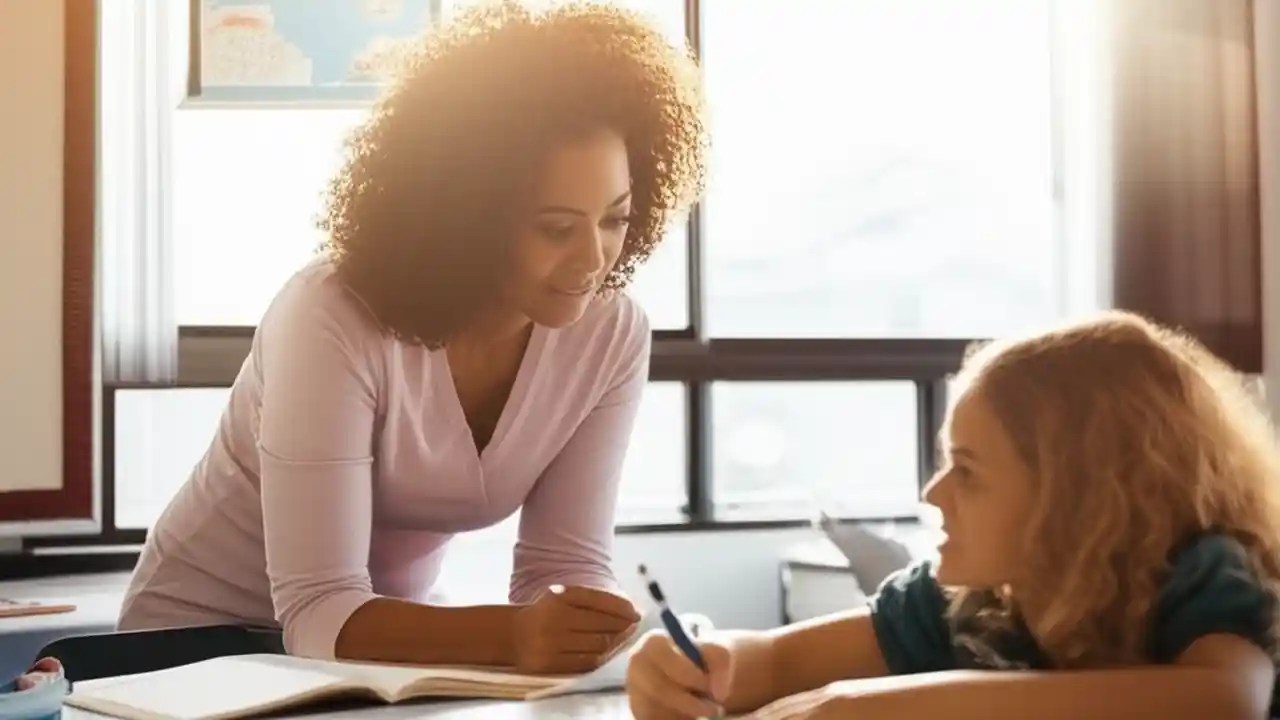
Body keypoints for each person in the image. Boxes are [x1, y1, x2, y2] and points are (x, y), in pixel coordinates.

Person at [118, 0, 707, 674]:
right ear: (468, 212)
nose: (593, 260)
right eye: (555, 228)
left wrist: (598, 630)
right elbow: (317, 608)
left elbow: (563, 567)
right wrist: (516, 637)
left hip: (374, 654)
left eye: (615, 220)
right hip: (190, 650)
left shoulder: (610, 334)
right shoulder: (329, 317)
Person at [627, 312, 1280, 719]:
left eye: (967, 470)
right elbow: (774, 663)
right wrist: (698, 665)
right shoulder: (959, 603)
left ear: (1076, 494)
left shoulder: (1199, 573)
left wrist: (883, 707)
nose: (934, 494)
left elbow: (1223, 701)